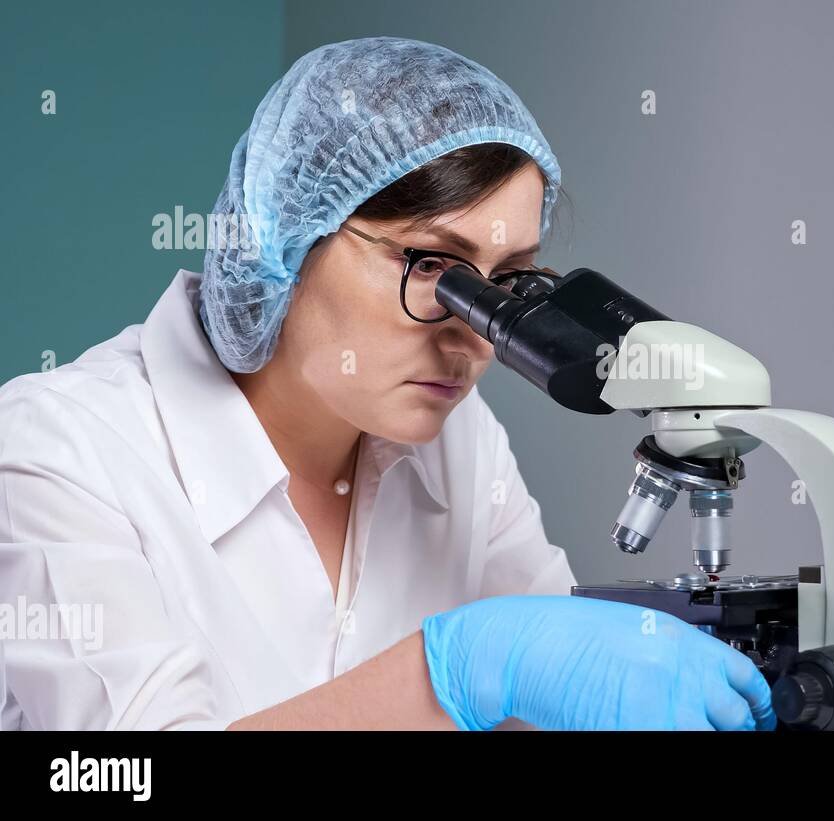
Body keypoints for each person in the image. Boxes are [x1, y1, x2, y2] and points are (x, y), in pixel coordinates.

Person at [0, 37, 774, 731]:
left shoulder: (456, 441)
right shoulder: (55, 451)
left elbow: (545, 707)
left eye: (510, 283)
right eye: (432, 264)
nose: (473, 333)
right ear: (289, 232)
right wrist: (452, 674)